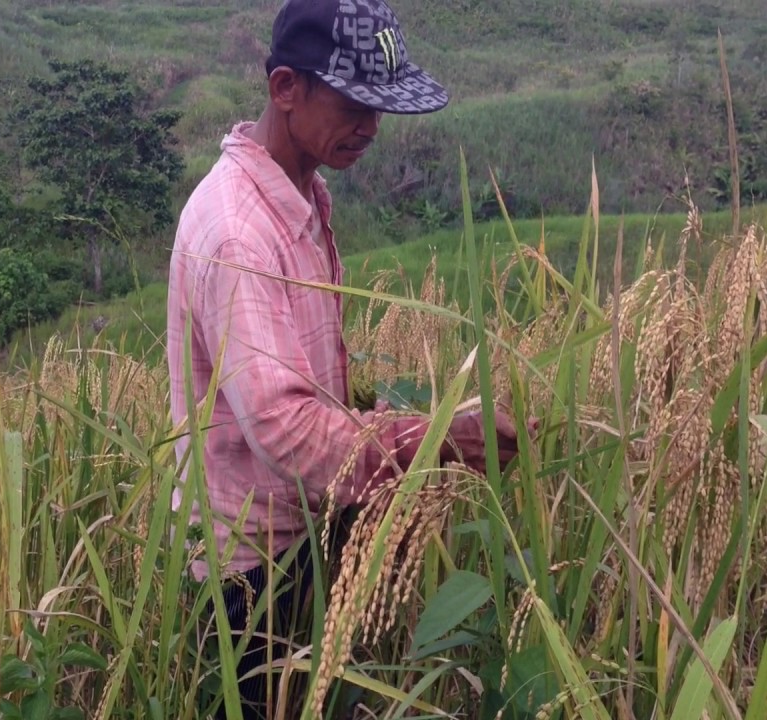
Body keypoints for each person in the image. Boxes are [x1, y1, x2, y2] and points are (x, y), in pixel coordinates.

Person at [165, 0, 530, 716]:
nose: (370, 126)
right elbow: (284, 428)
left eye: (380, 106)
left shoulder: (301, 193)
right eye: (354, 102)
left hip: (300, 530)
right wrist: (429, 441)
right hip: (250, 571)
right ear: (285, 89)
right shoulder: (240, 231)